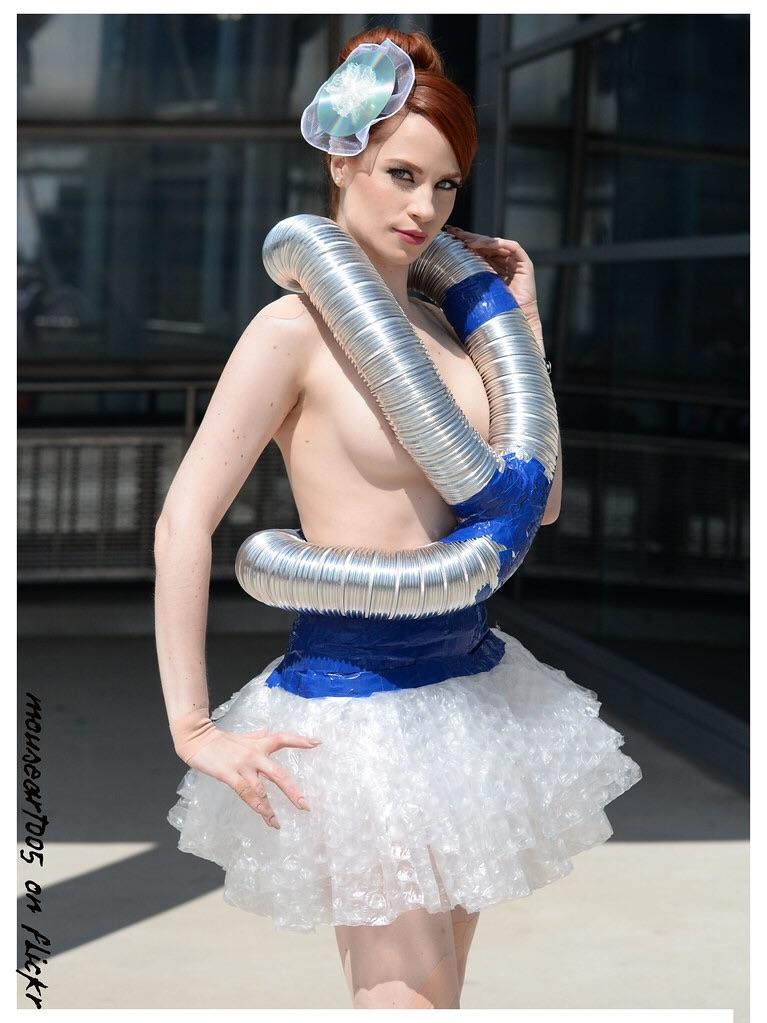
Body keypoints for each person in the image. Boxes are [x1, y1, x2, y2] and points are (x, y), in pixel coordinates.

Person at [155, 27, 642, 1010]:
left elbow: (536, 502)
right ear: (343, 161)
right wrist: (193, 727)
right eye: (401, 175)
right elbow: (184, 521)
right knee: (403, 1002)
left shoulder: (450, 335)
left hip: (469, 691)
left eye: (445, 186)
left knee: (438, 996)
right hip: (356, 711)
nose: (424, 208)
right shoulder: (291, 330)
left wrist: (520, 322)